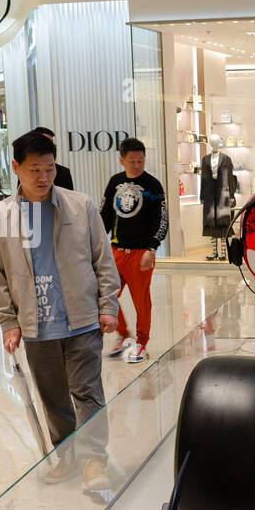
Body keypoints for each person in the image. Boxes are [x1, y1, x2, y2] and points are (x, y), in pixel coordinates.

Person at [0, 130, 120, 491]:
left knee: (87, 392)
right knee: (53, 398)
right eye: (34, 170)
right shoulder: (1, 216)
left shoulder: (82, 206)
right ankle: (68, 455)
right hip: (35, 325)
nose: (43, 178)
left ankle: (93, 460)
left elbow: (102, 261)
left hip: (81, 319)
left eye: (49, 169)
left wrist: (108, 306)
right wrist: (8, 322)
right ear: (15, 167)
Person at [101, 137, 167, 364]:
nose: (137, 165)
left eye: (141, 161)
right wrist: (97, 244)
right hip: (116, 251)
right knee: (106, 294)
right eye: (132, 161)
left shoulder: (153, 186)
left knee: (141, 301)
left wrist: (152, 248)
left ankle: (141, 342)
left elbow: (161, 220)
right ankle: (123, 333)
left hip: (141, 254)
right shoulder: (114, 183)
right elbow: (105, 217)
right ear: (122, 160)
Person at [31, 127, 74, 191]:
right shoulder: (26, 172)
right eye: (46, 143)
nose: (50, 147)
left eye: (52, 144)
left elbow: (70, 197)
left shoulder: (64, 172)